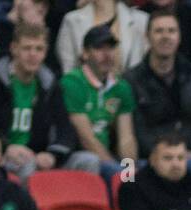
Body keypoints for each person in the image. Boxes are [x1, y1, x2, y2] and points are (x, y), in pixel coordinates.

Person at [0, 22, 84, 180]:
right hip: (2, 154)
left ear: (45, 52)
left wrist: (52, 155)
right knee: (27, 165)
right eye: (27, 48)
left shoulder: (51, 84)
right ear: (14, 49)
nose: (33, 54)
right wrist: (5, 147)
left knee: (88, 161)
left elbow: (64, 128)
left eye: (39, 49)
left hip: (41, 154)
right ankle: (31, 205)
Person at [124, 11, 191, 174]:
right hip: (153, 157)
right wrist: (174, 155)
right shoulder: (131, 80)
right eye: (159, 31)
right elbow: (137, 129)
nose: (165, 36)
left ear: (179, 37)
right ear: (147, 36)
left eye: (171, 31)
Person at [59, 24, 138, 179]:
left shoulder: (121, 87)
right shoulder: (72, 83)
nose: (107, 54)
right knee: (94, 161)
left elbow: (126, 137)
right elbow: (86, 139)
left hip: (109, 159)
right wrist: (119, 172)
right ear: (85, 53)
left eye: (110, 48)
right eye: (99, 48)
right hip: (78, 157)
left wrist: (130, 170)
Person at [56, 0, 148, 74]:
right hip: (85, 94)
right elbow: (68, 70)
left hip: (130, 93)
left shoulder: (141, 20)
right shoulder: (72, 21)